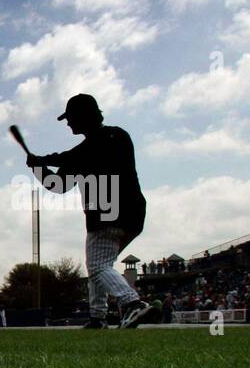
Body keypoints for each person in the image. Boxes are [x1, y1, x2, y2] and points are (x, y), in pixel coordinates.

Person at [25, 94, 156, 329]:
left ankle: (131, 304)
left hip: (107, 213)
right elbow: (59, 183)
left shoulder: (100, 142)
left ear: (83, 116)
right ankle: (98, 317)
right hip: (134, 213)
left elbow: (68, 164)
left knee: (98, 267)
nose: (68, 123)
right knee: (99, 263)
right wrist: (40, 167)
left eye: (71, 118)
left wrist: (39, 163)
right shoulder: (118, 136)